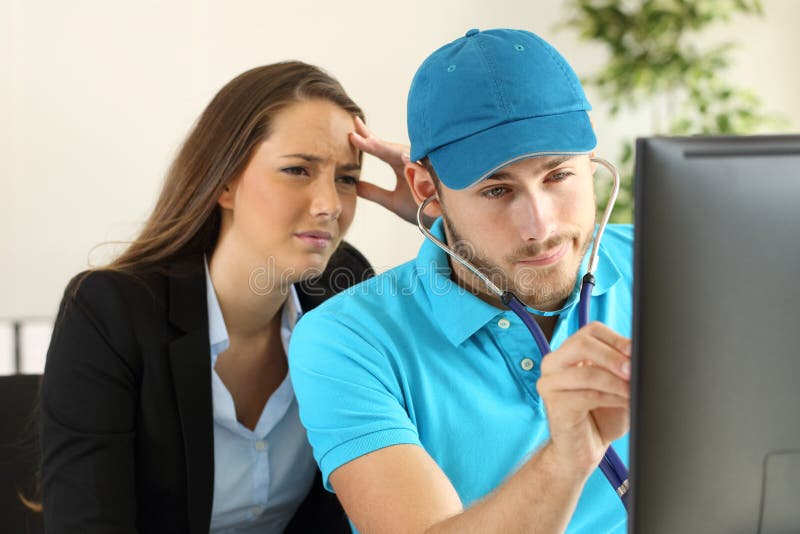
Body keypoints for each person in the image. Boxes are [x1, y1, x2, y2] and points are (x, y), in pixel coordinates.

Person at [39, 61, 418, 533]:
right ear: (224, 182)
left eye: (345, 178)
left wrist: (438, 210)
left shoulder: (344, 285)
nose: (330, 206)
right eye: (298, 170)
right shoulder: (110, 312)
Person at [288, 29, 633, 533]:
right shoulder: (347, 341)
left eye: (559, 176)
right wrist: (566, 458)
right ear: (426, 188)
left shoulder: (674, 260)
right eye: (496, 190)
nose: (541, 228)